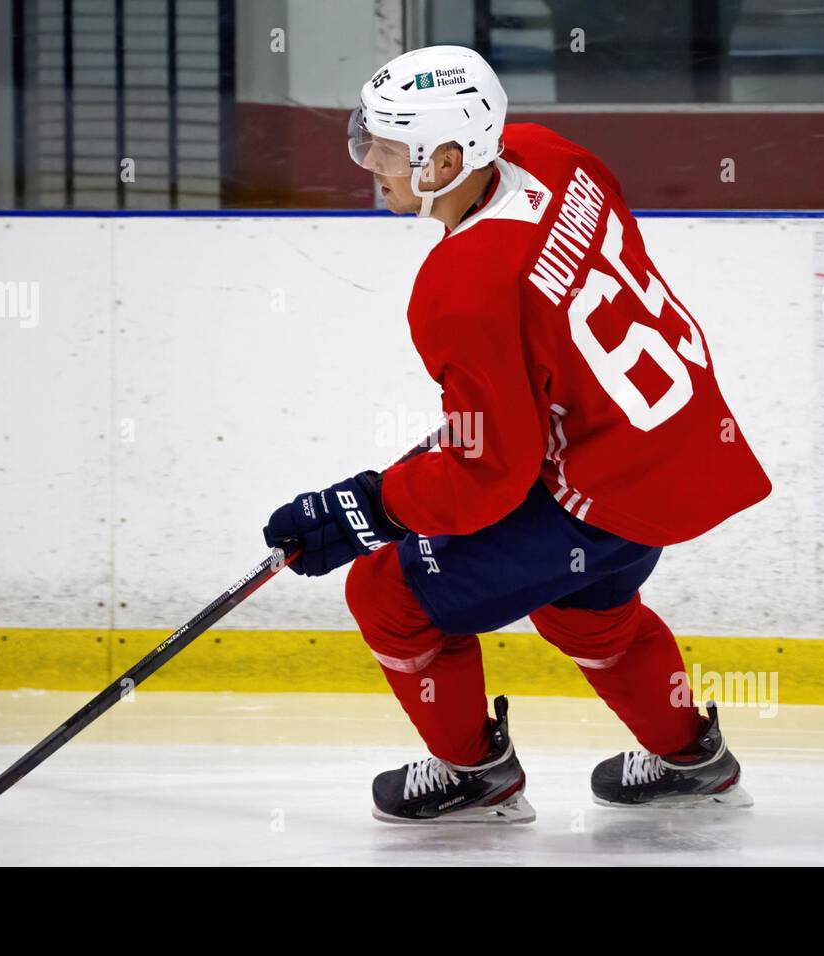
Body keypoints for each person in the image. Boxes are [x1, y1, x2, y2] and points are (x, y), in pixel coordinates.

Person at [263, 45, 771, 824]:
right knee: (584, 611)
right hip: (679, 446)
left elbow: (487, 479)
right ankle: (690, 758)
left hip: (604, 485)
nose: (373, 163)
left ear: (451, 157)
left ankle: (474, 774)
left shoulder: (460, 288)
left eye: (392, 150)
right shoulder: (547, 155)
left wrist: (370, 507)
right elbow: (549, 326)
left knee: (387, 591)